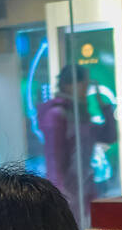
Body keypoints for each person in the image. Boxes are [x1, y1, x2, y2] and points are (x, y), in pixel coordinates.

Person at [37, 62, 117, 218]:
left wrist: (105, 108)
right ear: (68, 85)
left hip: (84, 188)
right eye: (84, 83)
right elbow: (55, 161)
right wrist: (61, 197)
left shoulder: (80, 114)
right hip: (68, 193)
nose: (87, 87)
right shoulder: (58, 114)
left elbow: (109, 136)